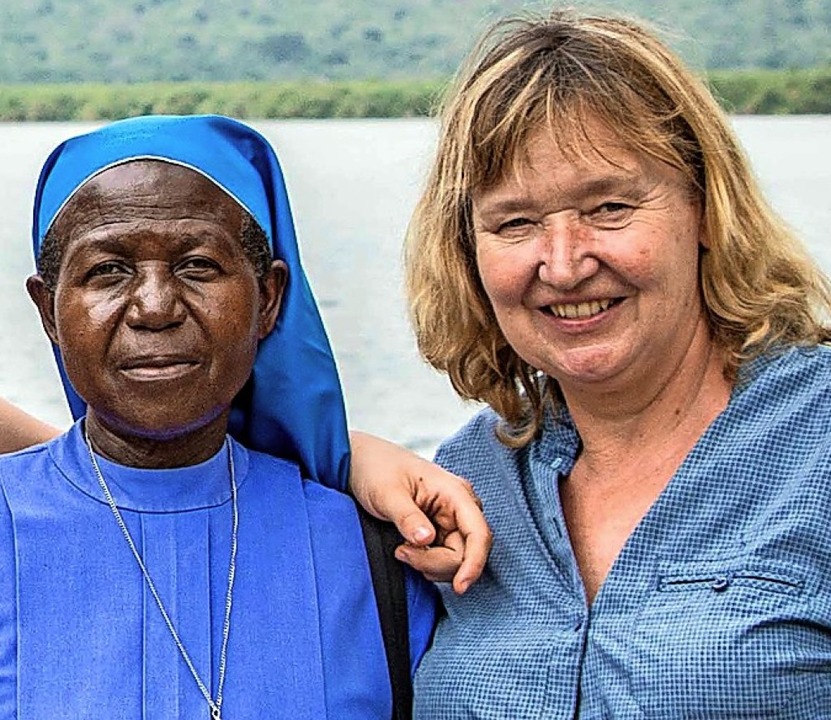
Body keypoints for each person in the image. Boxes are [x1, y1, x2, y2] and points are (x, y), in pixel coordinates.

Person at [348, 8, 831, 718]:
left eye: (607, 207)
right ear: (468, 253)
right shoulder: (470, 482)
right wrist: (344, 455)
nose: (564, 263)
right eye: (514, 223)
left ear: (703, 208)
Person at [0, 114, 444, 719]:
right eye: (108, 271)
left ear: (269, 300)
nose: (154, 307)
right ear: (49, 312)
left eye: (198, 266)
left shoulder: (379, 558)